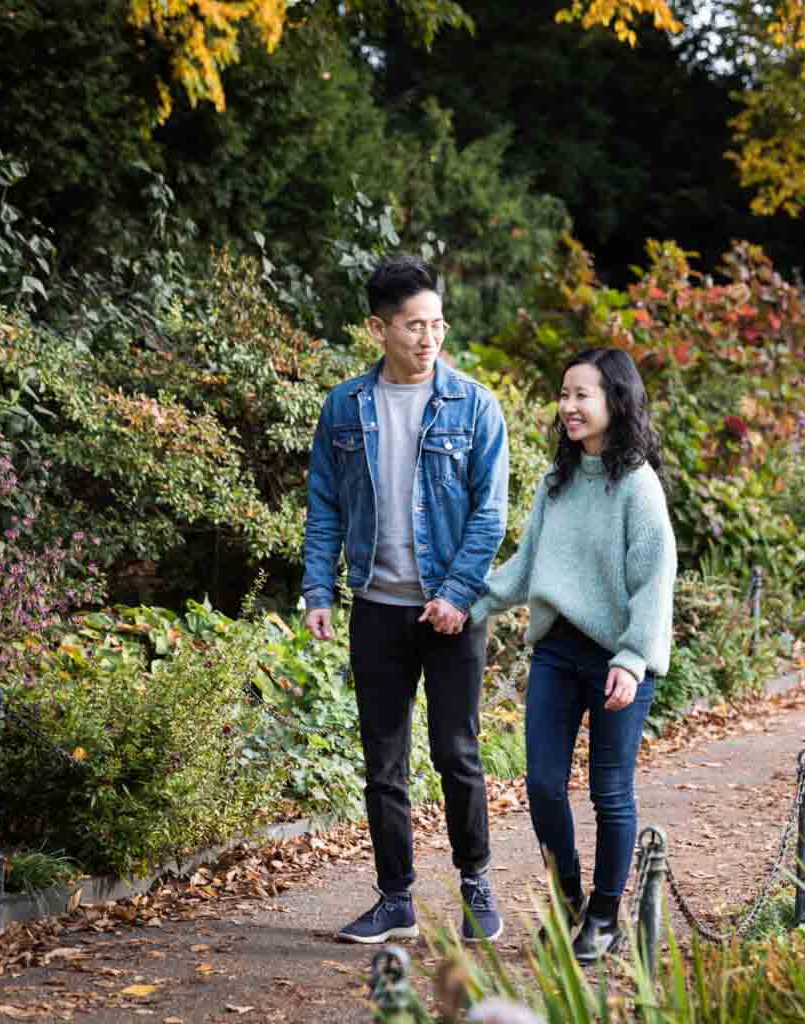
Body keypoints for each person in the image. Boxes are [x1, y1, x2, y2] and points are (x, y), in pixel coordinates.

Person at [302, 255, 510, 944]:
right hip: (377, 607)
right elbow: (324, 506)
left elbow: (490, 514)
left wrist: (457, 593)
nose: (430, 338)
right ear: (378, 328)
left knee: (457, 753)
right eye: (415, 325)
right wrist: (318, 588)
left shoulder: (474, 405)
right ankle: (396, 901)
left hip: (452, 612)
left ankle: (476, 887)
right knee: (383, 763)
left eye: (438, 324)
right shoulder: (344, 407)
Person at [470, 347, 677, 963]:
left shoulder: (637, 485)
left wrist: (633, 658)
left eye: (582, 394)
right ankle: (567, 902)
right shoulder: (555, 483)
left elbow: (655, 579)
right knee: (542, 784)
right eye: (564, 394)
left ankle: (605, 916)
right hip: (558, 652)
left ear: (616, 400)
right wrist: (467, 604)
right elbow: (527, 565)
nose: (568, 406)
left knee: (610, 791)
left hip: (619, 660)